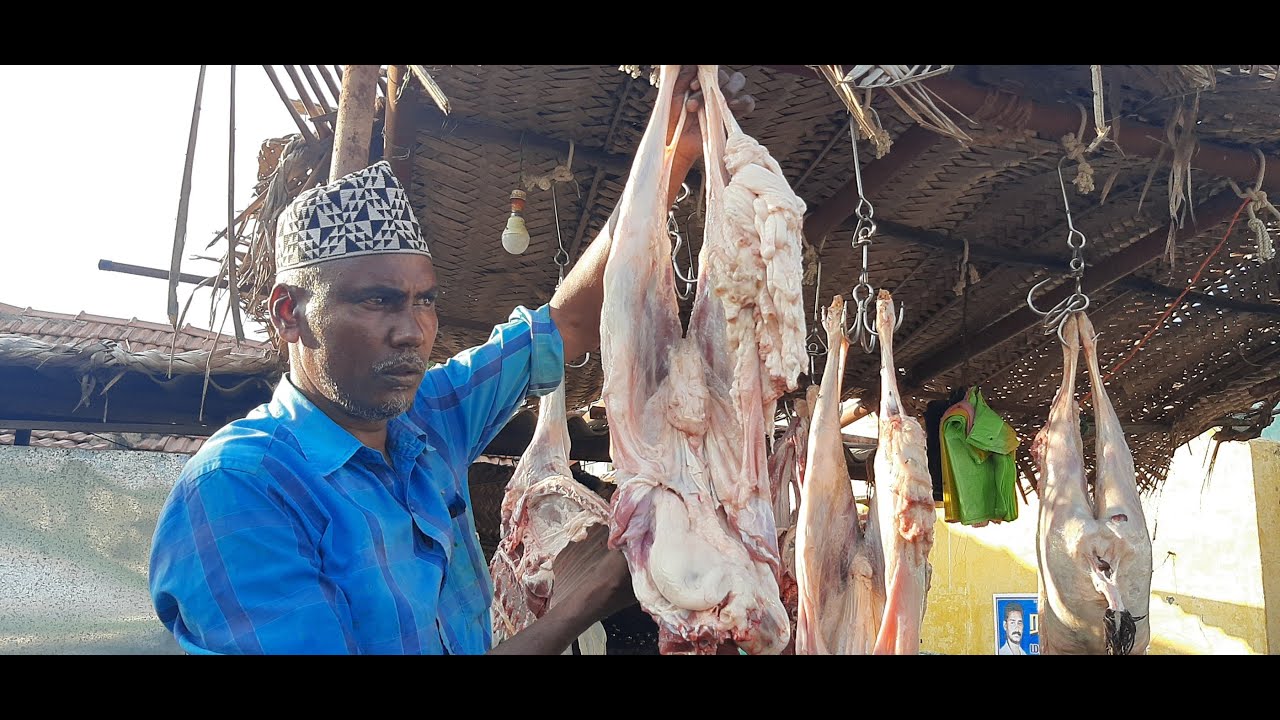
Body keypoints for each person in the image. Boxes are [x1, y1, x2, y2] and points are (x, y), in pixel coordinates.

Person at [148, 66, 755, 655]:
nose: (412, 331)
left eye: (425, 301)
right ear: (289, 312)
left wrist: (675, 152)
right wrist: (571, 612)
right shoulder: (240, 487)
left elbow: (568, 321)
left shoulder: (428, 419)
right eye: (377, 301)